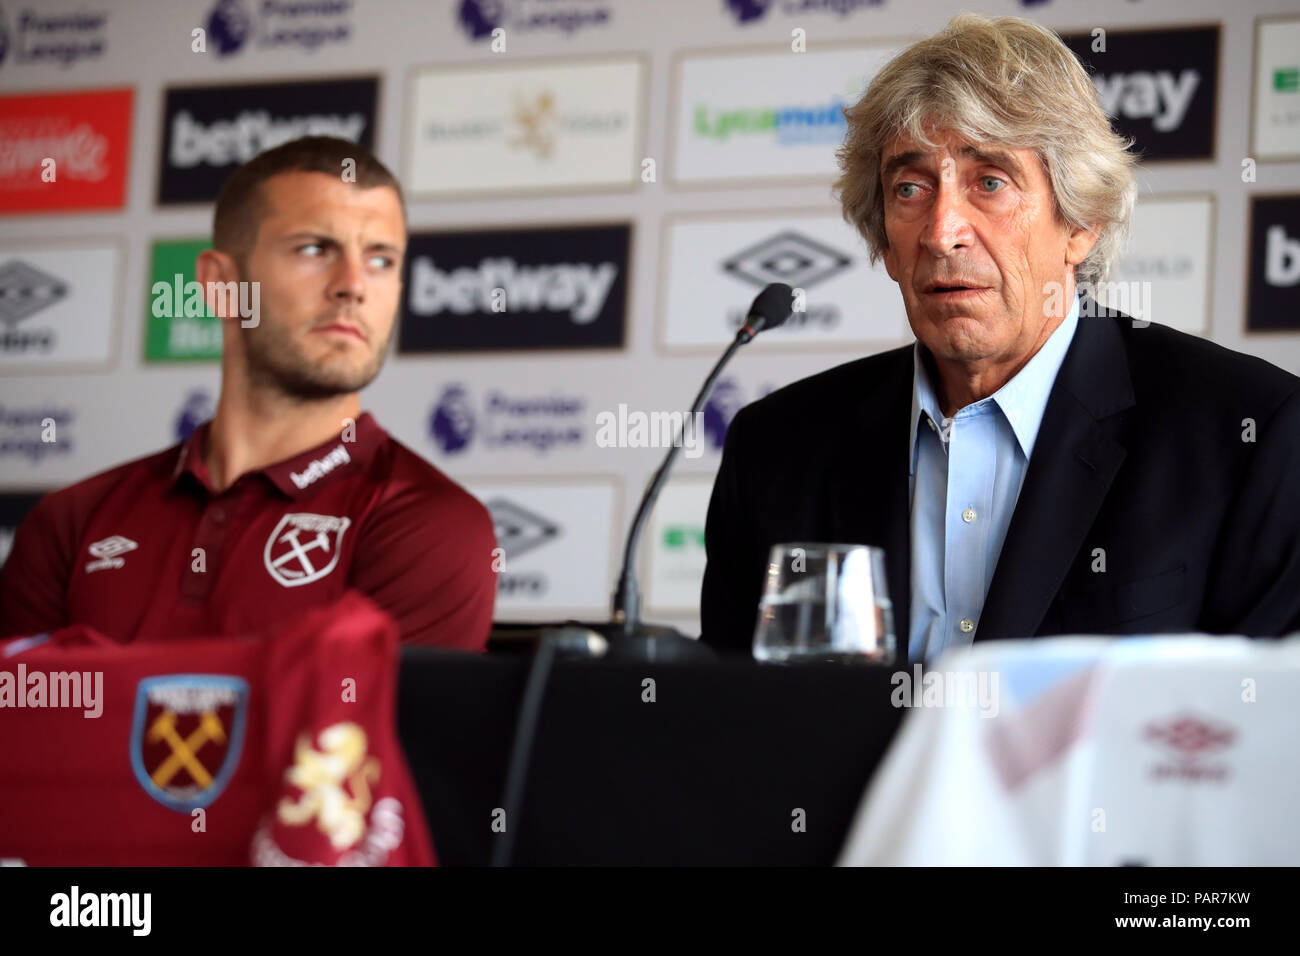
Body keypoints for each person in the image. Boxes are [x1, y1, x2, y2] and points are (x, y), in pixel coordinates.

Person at [701, 14, 1300, 659]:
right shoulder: (776, 450)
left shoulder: (1251, 435)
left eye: (990, 182)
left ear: (1081, 223)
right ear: (883, 240)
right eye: (910, 188)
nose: (942, 231)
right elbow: (736, 734)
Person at [0, 136, 497, 649]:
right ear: (221, 285)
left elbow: (358, 729)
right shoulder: (71, 523)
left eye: (381, 260)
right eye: (314, 249)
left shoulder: (430, 526)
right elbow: (28, 723)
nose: (354, 285)